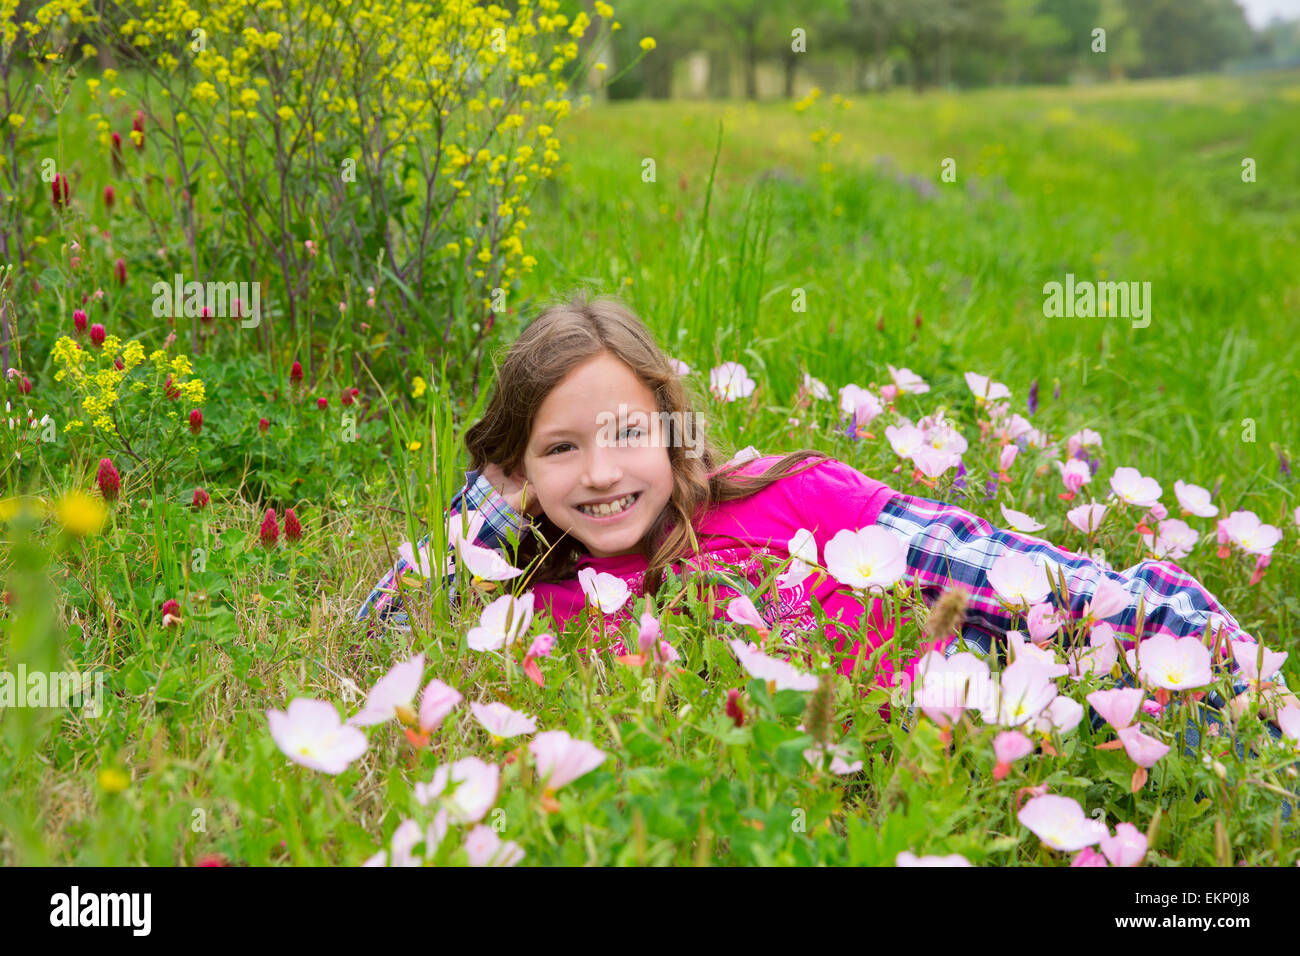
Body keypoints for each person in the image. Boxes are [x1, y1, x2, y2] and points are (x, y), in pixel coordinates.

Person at [356, 291, 1296, 753]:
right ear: (518, 470)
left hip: (1065, 721)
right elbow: (386, 629)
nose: (600, 473)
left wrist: (1222, 670)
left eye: (626, 432)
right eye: (558, 450)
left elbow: (1013, 576)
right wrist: (491, 494)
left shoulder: (791, 502)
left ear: (676, 427)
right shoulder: (542, 598)